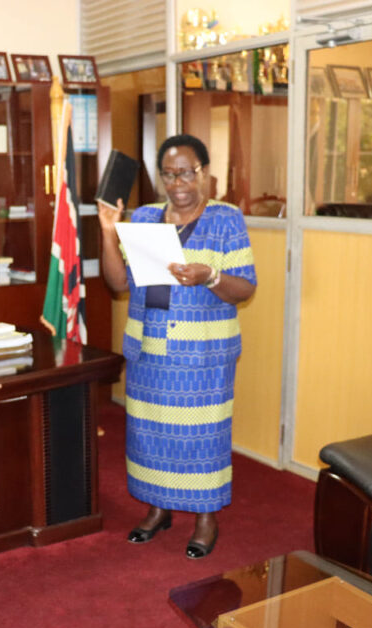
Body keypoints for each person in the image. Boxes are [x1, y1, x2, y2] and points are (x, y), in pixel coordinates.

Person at [98, 134, 256, 559]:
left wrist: (211, 277)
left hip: (204, 357)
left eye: (186, 172)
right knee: (151, 433)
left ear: (205, 173)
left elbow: (245, 287)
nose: (177, 183)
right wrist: (109, 234)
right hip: (151, 349)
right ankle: (157, 509)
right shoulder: (146, 217)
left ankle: (206, 518)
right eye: (169, 174)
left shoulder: (226, 220)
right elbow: (117, 284)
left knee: (204, 437)